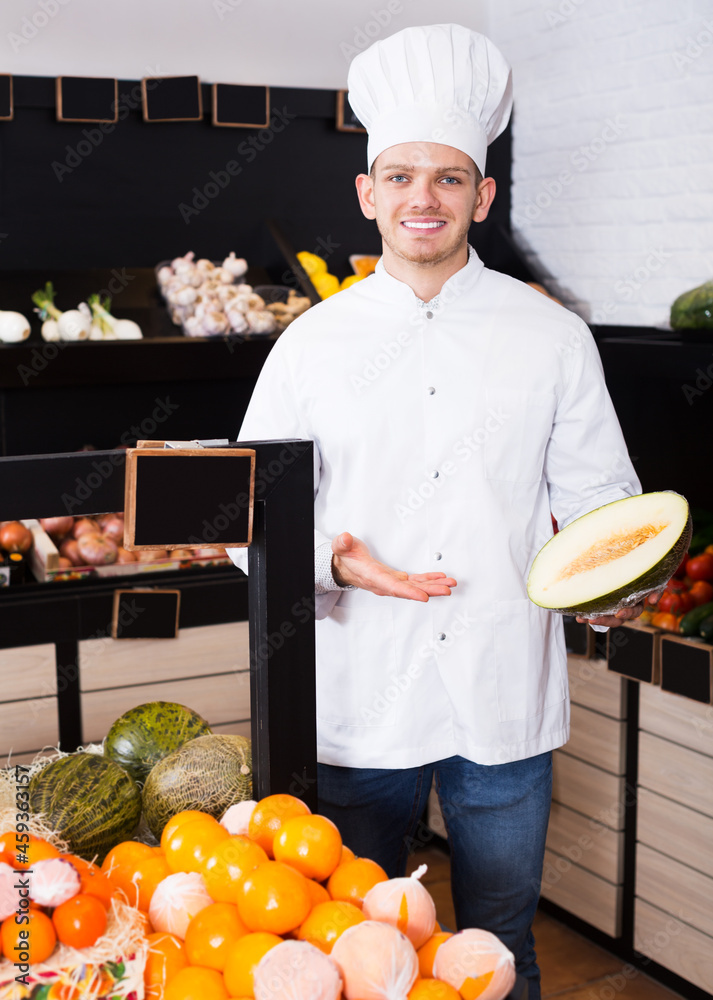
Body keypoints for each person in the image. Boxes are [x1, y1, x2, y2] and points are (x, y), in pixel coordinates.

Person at [230, 24, 645, 997]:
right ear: (368, 193)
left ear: (482, 196)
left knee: (496, 947)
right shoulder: (309, 346)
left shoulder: (551, 337)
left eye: (449, 178)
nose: (424, 197)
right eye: (402, 176)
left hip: (501, 690)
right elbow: (250, 516)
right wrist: (337, 563)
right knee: (355, 950)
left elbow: (600, 502)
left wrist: (616, 582)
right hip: (357, 696)